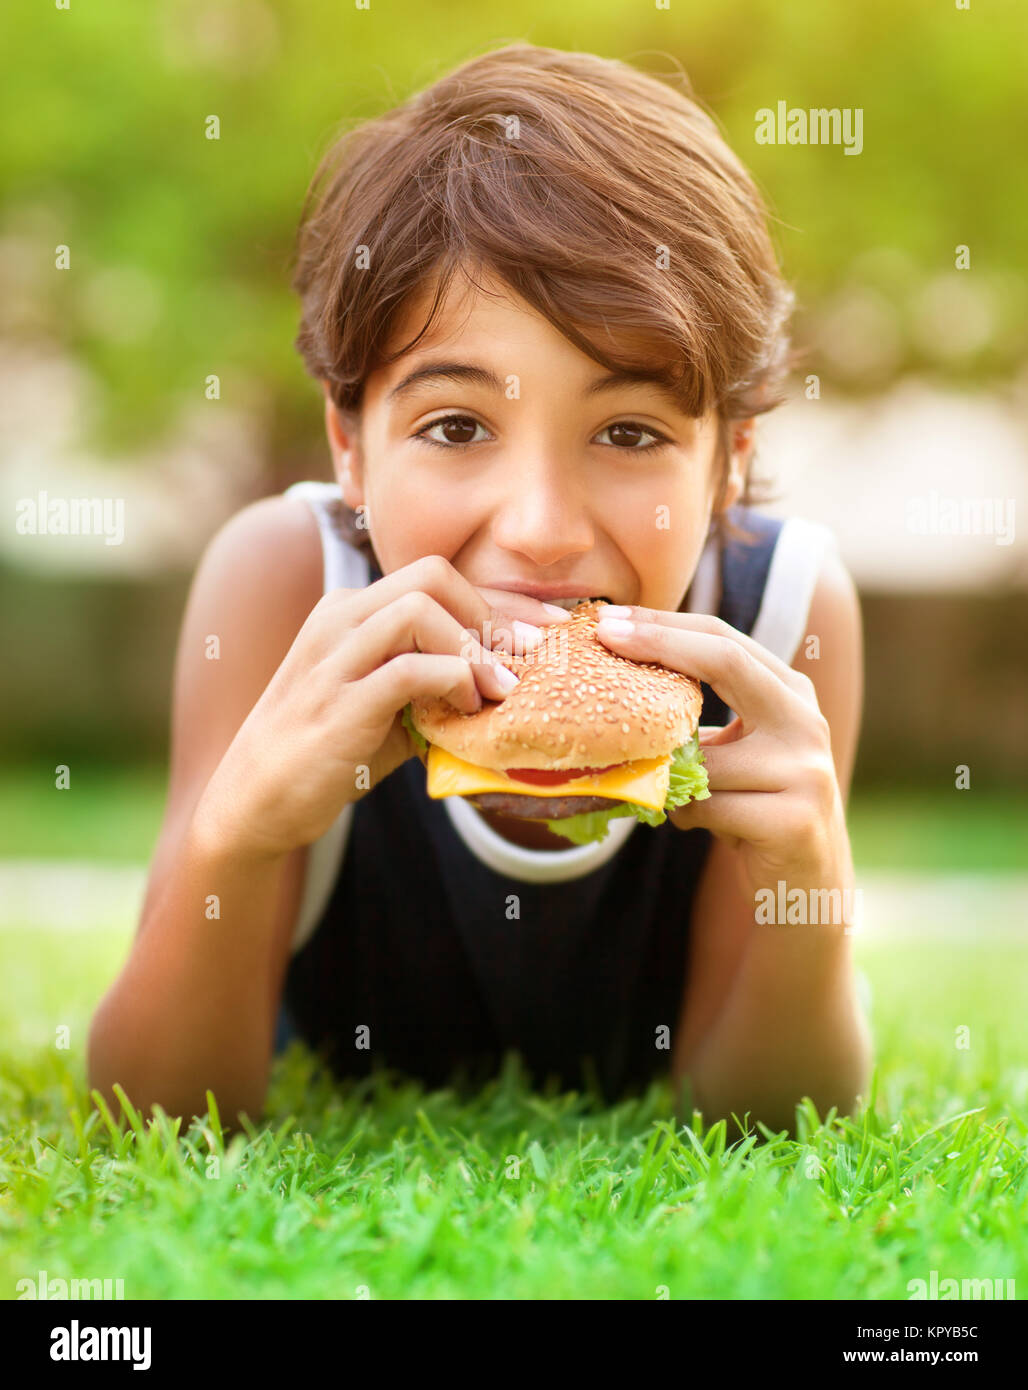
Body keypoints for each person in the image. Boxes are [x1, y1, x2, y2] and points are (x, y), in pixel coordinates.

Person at [88, 42, 871, 1133]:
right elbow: (155, 1113)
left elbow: (755, 1123)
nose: (541, 530)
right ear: (349, 446)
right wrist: (241, 838)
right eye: (455, 426)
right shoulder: (283, 589)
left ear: (726, 460)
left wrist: (811, 890)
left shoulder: (782, 616)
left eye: (629, 430)